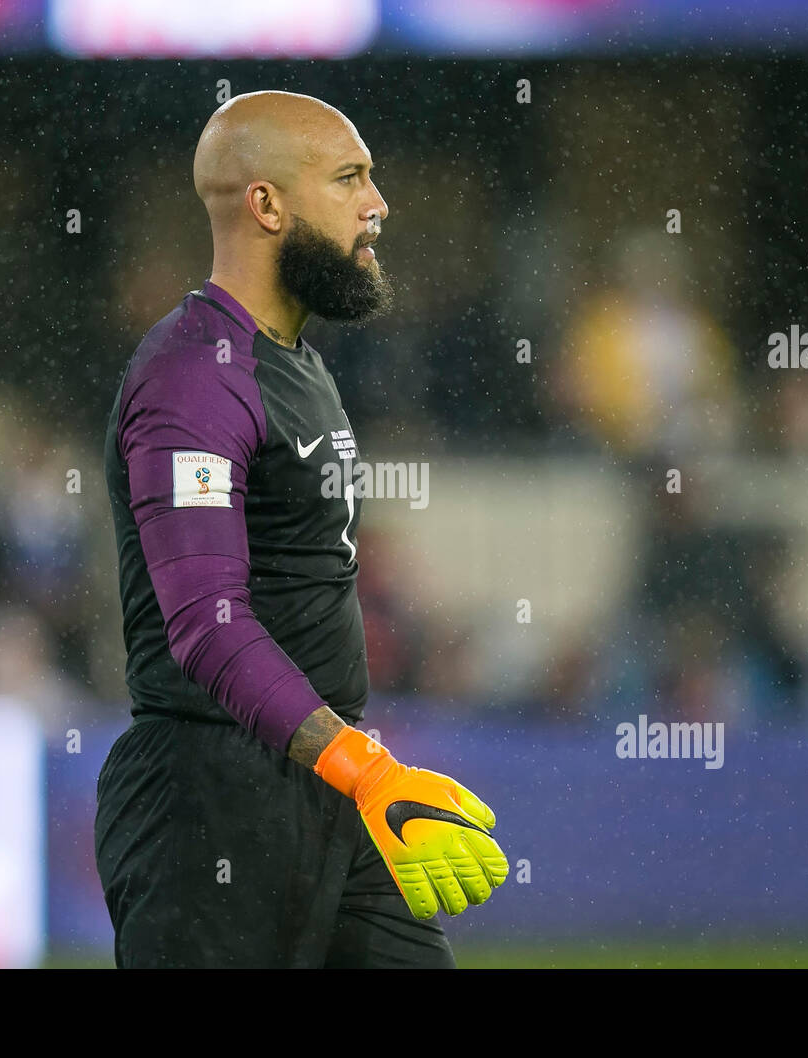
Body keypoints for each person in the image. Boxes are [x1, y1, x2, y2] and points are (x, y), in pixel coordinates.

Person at [94, 91, 508, 968]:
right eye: (350, 178)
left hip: (326, 791)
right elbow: (208, 625)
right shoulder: (192, 378)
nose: (378, 204)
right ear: (267, 204)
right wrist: (363, 766)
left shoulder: (298, 366)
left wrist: (353, 772)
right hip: (206, 807)